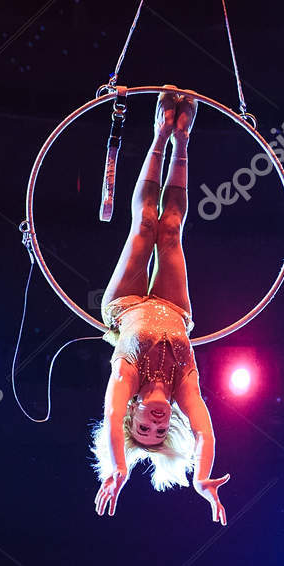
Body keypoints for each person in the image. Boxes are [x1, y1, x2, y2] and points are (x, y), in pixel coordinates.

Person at [91, 90, 228, 525]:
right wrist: (200, 477)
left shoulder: (125, 381)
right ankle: (183, 139)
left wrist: (117, 468)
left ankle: (158, 134)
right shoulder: (185, 388)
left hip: (126, 305)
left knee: (144, 224)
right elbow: (204, 430)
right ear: (168, 428)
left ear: (135, 417)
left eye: (141, 430)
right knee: (170, 228)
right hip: (173, 308)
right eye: (158, 432)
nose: (152, 424)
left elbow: (111, 415)